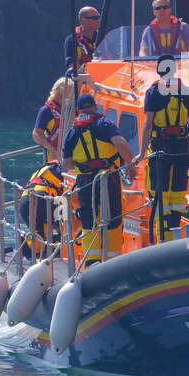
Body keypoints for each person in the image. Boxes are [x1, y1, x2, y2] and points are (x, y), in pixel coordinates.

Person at [63, 94, 135, 265]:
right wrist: (131, 164)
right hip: (108, 178)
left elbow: (66, 164)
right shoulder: (105, 125)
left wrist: (83, 165)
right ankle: (112, 262)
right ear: (95, 107)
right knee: (113, 219)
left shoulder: (72, 133)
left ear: (79, 111)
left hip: (85, 181)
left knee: (89, 219)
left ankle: (91, 263)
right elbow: (120, 143)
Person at [140, 54, 189, 243]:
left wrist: (142, 152)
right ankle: (176, 235)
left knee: (161, 195)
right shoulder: (185, 91)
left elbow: (148, 124)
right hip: (183, 147)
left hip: (161, 147)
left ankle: (163, 240)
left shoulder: (153, 93)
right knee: (178, 194)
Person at [17, 160, 65, 259]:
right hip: (42, 199)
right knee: (62, 227)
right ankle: (61, 244)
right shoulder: (62, 170)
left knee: (39, 236)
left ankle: (29, 246)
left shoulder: (44, 169)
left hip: (25, 201)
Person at [32, 77, 72, 161]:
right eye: (70, 91)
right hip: (53, 157)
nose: (73, 94)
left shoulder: (70, 109)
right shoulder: (46, 110)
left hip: (70, 153)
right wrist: (51, 149)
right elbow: (36, 134)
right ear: (61, 93)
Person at [64, 5, 101, 77]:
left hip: (106, 79)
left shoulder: (104, 38)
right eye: (95, 18)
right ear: (84, 20)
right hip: (85, 80)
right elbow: (73, 66)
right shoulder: (72, 40)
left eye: (99, 18)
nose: (99, 21)